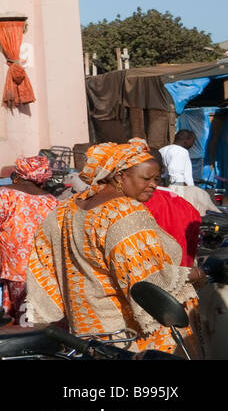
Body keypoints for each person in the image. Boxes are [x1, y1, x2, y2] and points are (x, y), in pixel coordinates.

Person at [26, 139, 202, 353]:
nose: (154, 185)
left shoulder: (64, 211)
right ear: (119, 176)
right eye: (146, 178)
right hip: (127, 338)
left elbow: (44, 267)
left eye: (157, 178)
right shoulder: (124, 213)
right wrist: (195, 274)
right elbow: (150, 284)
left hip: (86, 330)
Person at [0, 155, 59, 321]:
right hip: (47, 268)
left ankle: (25, 341)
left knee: (24, 312)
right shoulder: (52, 201)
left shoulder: (4, 195)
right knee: (41, 311)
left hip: (16, 267)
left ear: (19, 173)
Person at [145, 154, 201, 266]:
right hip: (180, 273)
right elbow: (191, 251)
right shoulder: (187, 207)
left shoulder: (130, 204)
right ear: (163, 170)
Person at [160, 131, 218, 214]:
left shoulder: (163, 149)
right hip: (180, 192)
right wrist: (178, 196)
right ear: (186, 140)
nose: (193, 144)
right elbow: (176, 174)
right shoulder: (181, 151)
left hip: (166, 189)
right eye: (193, 141)